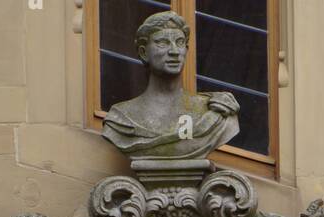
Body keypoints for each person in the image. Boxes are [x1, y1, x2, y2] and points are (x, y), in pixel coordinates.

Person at [102, 11, 239, 161]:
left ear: (186, 50)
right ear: (143, 53)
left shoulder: (213, 112)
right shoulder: (122, 118)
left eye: (180, 43)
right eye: (162, 43)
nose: (174, 52)